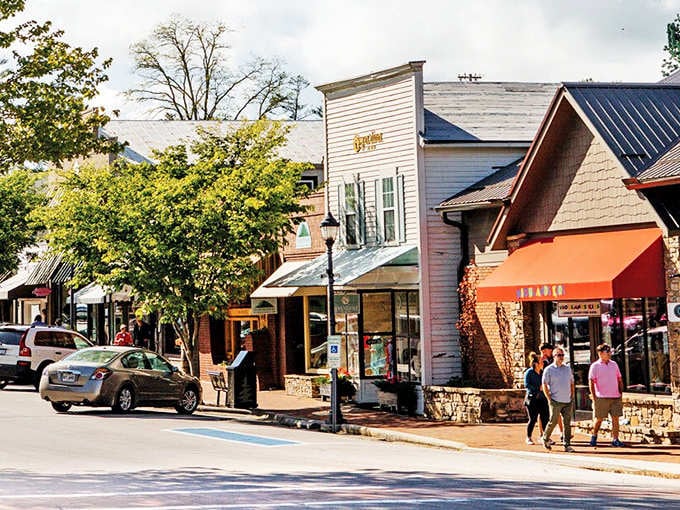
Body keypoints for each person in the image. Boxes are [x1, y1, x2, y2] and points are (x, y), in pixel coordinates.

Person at [588, 343, 625, 447]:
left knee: (615, 418)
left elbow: (619, 379)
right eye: (607, 352)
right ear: (600, 353)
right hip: (601, 397)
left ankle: (615, 439)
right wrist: (594, 397)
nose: (609, 354)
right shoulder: (595, 366)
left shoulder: (614, 364)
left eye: (610, 351)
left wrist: (620, 393)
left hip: (615, 396)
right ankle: (594, 436)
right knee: (599, 419)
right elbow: (591, 382)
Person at [541, 346, 575, 452]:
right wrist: (549, 398)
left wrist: (572, 395)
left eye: (562, 355)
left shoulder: (567, 369)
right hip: (555, 400)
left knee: (567, 423)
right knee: (553, 421)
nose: (561, 357)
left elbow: (572, 383)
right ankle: (545, 438)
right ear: (554, 356)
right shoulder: (549, 370)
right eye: (559, 355)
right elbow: (544, 384)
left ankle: (567, 444)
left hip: (567, 400)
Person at [524, 352, 549, 445]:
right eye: (541, 362)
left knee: (545, 418)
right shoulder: (529, 372)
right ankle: (528, 437)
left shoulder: (543, 373)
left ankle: (544, 437)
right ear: (536, 364)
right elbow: (527, 385)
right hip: (532, 399)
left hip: (542, 398)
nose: (543, 363)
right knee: (533, 419)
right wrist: (538, 388)